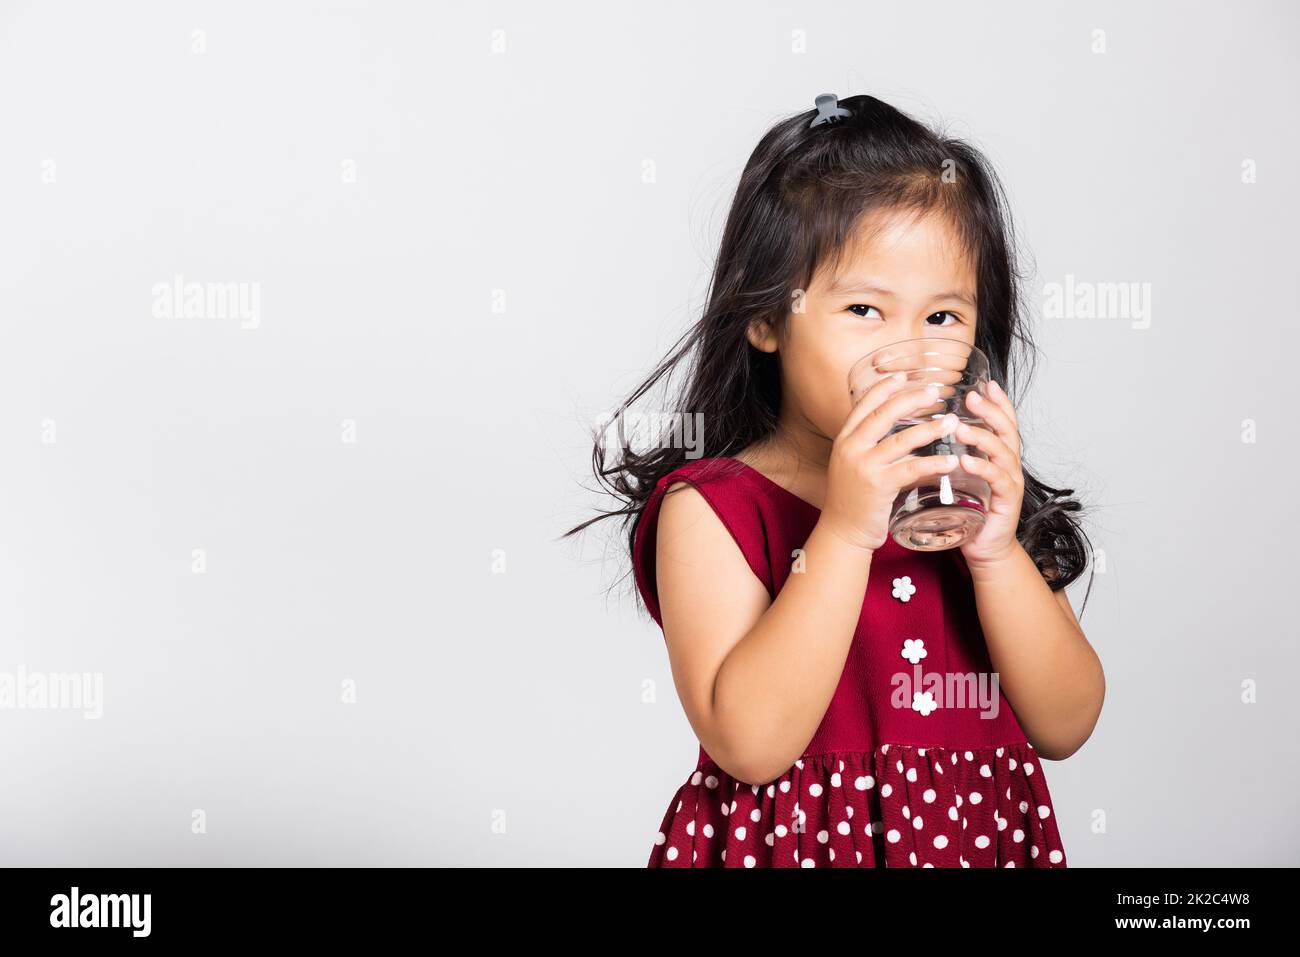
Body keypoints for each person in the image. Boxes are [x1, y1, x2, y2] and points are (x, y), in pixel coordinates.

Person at [566, 93, 1103, 867]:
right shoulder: (715, 509)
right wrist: (849, 530)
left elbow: (1067, 722)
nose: (910, 350)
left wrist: (996, 554)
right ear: (767, 319)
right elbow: (749, 743)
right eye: (864, 309)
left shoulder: (973, 493)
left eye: (943, 318)